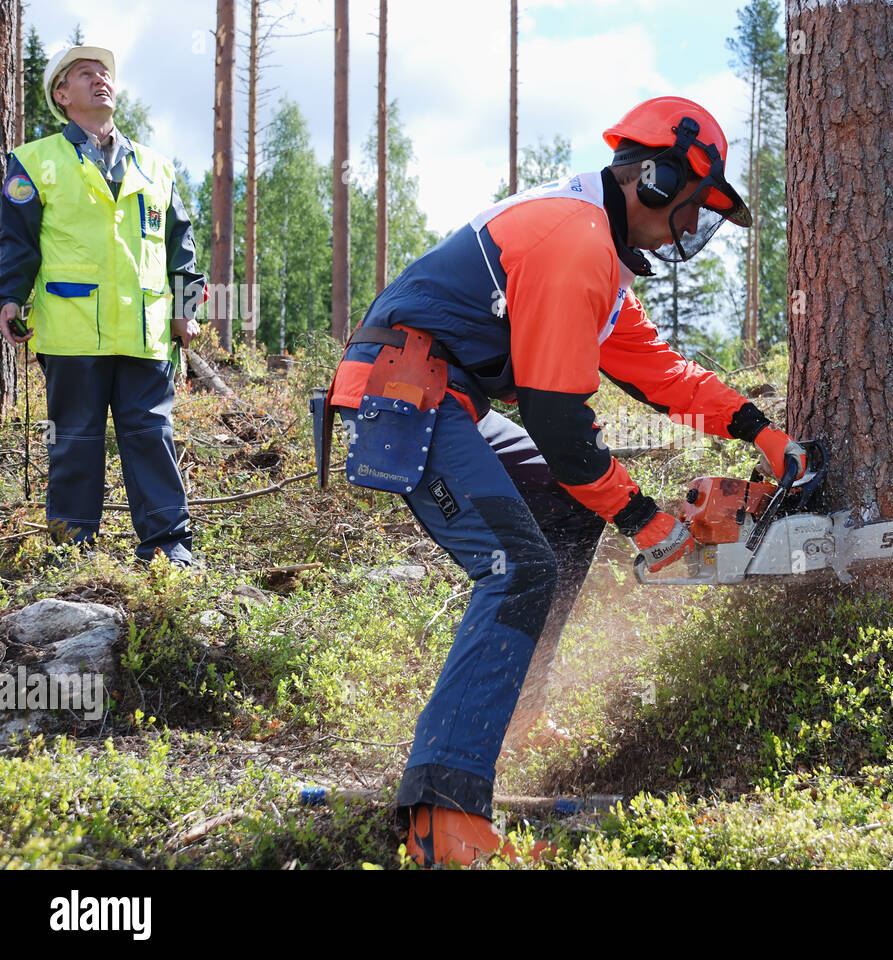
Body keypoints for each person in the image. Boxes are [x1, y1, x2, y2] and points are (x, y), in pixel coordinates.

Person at [319, 96, 806, 867]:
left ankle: (510, 717)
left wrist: (758, 429)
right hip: (404, 394)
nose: (689, 232)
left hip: (452, 397)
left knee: (563, 516)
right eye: (688, 212)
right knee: (517, 565)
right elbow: (558, 424)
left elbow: (657, 372)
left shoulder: (599, 258)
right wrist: (645, 518)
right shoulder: (572, 240)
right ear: (650, 181)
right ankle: (444, 816)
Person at [0, 44, 206, 567]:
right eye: (86, 74)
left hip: (145, 334)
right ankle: (73, 549)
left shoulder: (157, 167)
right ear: (62, 95)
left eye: (106, 74)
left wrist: (186, 307)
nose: (101, 80)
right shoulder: (33, 161)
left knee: (152, 436)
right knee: (75, 440)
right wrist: (8, 297)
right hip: (72, 333)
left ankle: (168, 548)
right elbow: (16, 242)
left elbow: (182, 247)